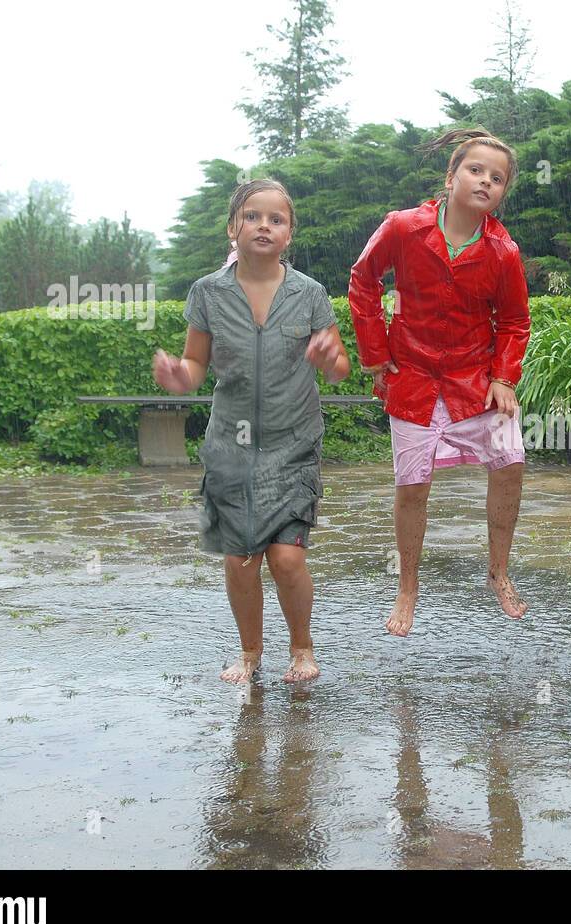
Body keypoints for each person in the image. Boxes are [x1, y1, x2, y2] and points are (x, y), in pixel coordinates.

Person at [153, 179, 351, 683]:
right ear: (232, 228)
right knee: (241, 560)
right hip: (231, 448)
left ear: (289, 235)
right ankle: (249, 652)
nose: (264, 225)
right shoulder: (208, 293)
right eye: (252, 216)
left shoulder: (309, 294)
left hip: (294, 444)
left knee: (286, 558)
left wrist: (331, 358)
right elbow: (196, 362)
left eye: (276, 219)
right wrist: (181, 377)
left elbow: (340, 369)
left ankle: (302, 649)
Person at [349, 129, 531, 638]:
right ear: (451, 178)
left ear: (501, 194)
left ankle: (498, 571)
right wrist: (375, 357)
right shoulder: (403, 229)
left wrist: (503, 377)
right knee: (412, 485)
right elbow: (363, 280)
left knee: (511, 461)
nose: (485, 181)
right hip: (412, 377)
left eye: (498, 178)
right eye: (475, 170)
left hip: (475, 380)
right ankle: (407, 586)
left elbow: (515, 321)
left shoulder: (502, 250)